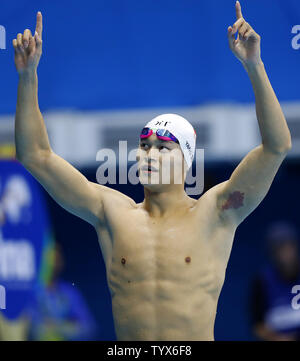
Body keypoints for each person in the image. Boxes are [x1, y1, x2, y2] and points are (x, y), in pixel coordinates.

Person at [13, 1, 291, 340]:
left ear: (185, 160)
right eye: (145, 145)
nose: (149, 154)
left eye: (163, 147)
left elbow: (277, 147)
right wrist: (28, 77)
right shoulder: (111, 212)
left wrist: (254, 65)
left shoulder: (216, 211)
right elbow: (36, 156)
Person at [28, 243, 97, 341]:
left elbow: (88, 327)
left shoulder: (69, 291)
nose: (54, 262)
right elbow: (32, 327)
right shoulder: (30, 291)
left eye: (58, 257)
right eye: (49, 257)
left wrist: (58, 326)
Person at [251, 222, 300, 341]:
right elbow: (258, 326)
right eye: (281, 248)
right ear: (273, 253)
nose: (287, 253)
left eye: (290, 247)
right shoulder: (262, 282)